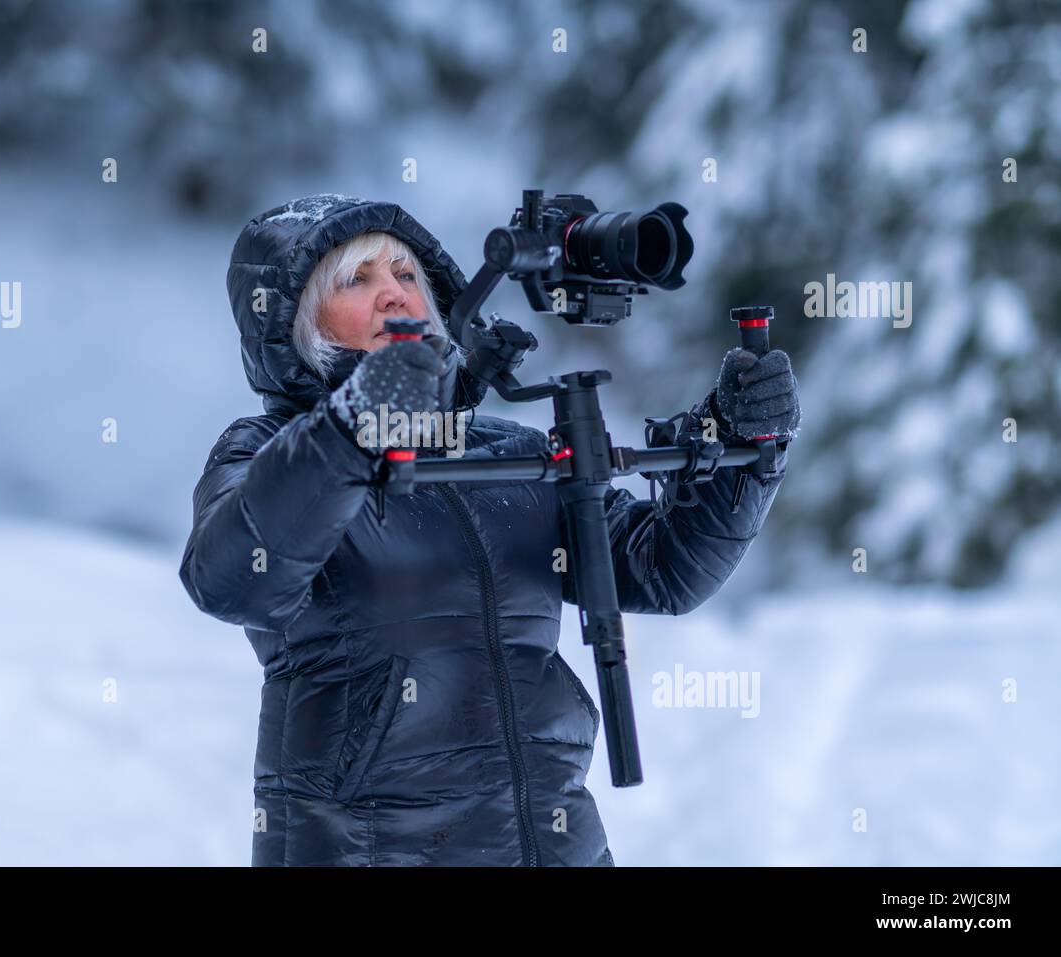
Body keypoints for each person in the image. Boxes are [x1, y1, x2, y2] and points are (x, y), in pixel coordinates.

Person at [179, 193, 799, 866]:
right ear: (296, 322)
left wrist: (740, 443)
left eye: (406, 275)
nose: (392, 294)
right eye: (356, 280)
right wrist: (351, 427)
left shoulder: (505, 451)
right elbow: (232, 578)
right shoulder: (270, 450)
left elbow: (663, 568)